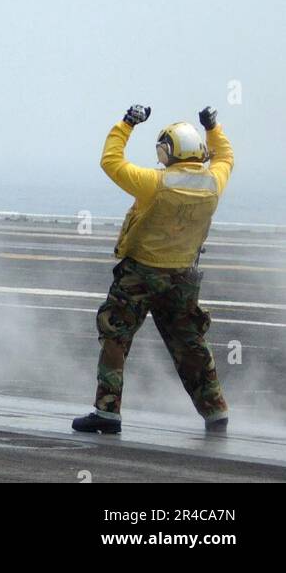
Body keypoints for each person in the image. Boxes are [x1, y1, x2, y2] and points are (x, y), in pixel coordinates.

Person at [72, 105, 233, 435]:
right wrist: (213, 127)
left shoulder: (154, 183)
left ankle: (107, 412)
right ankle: (215, 410)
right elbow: (226, 156)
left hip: (140, 276)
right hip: (183, 278)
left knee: (115, 334)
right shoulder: (214, 183)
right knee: (190, 343)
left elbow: (111, 161)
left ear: (168, 151)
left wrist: (127, 123)